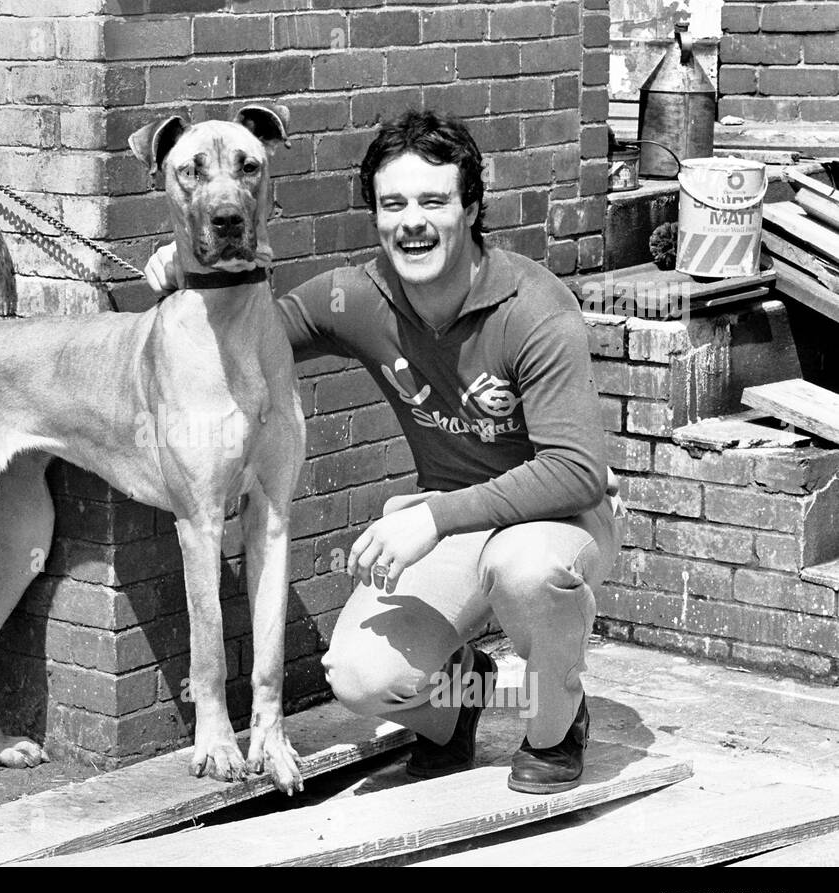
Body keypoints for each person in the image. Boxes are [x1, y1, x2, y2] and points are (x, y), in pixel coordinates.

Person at [145, 109, 622, 793]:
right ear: (374, 215)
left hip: (559, 521)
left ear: (472, 207)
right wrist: (188, 272)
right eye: (393, 204)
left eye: (433, 201)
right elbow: (254, 333)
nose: (412, 221)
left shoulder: (533, 306)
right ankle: (459, 699)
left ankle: (555, 726)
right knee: (359, 677)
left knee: (527, 571)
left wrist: (430, 518)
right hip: (457, 526)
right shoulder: (356, 296)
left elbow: (575, 472)